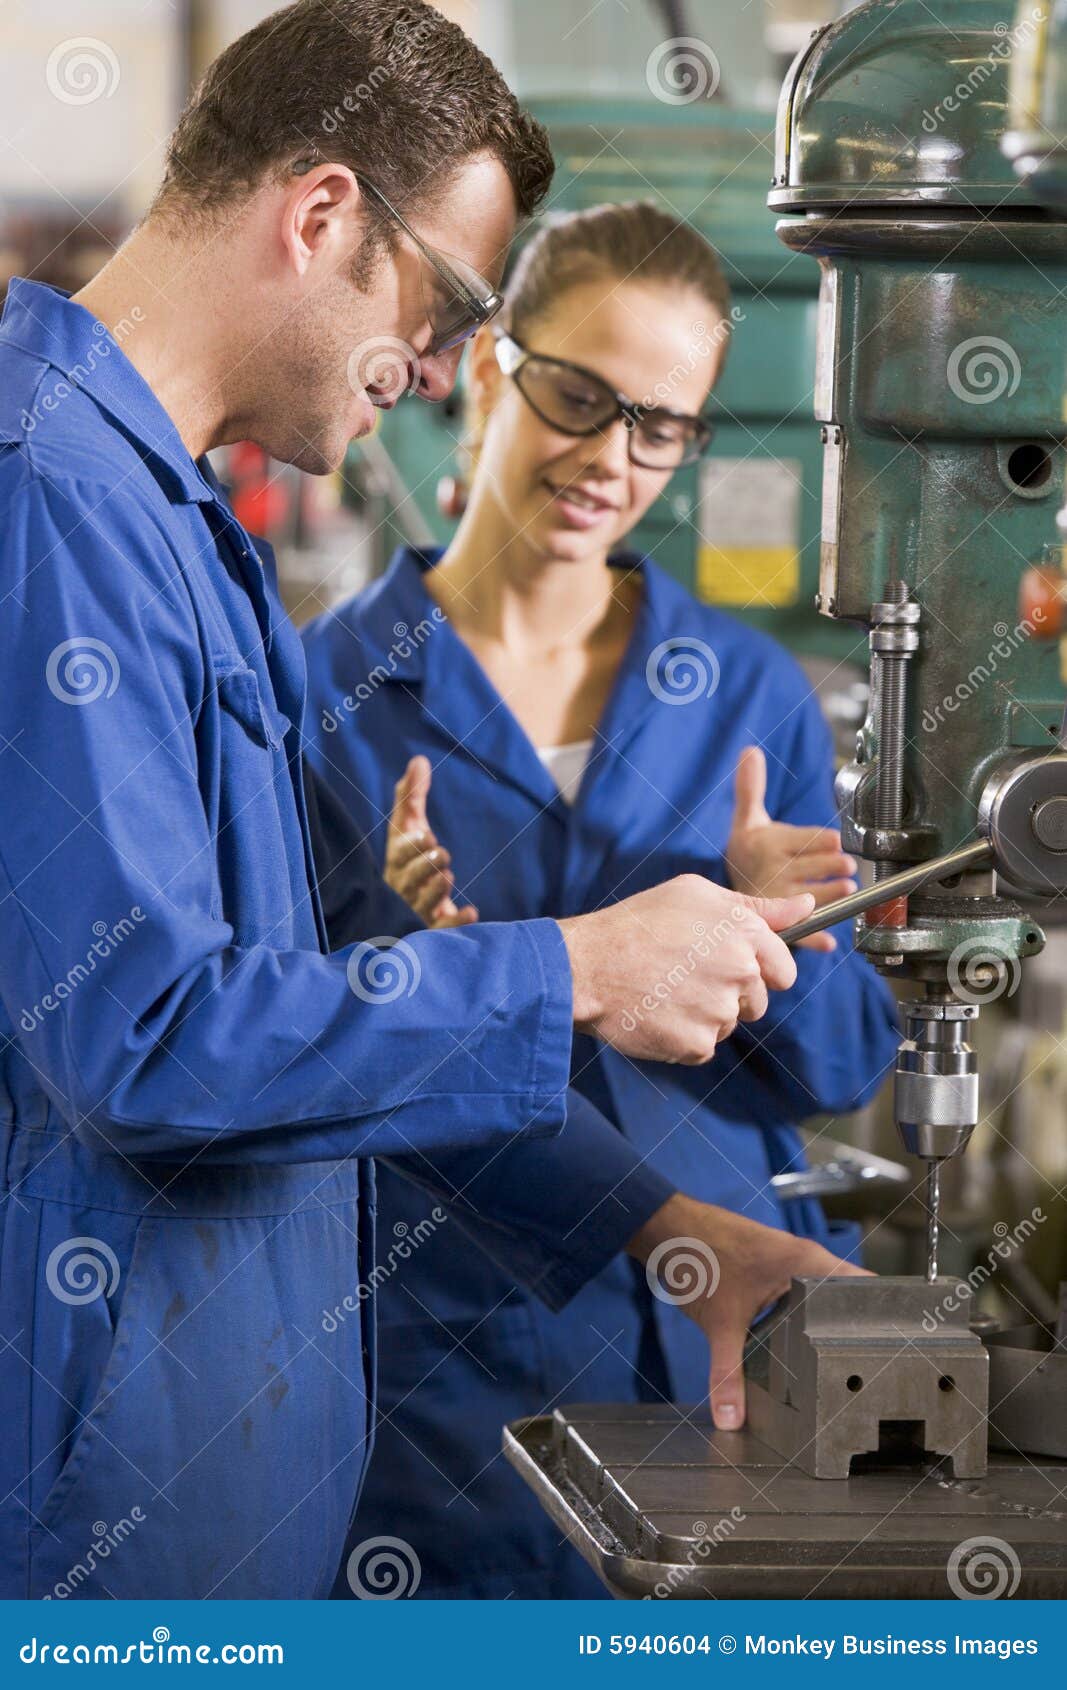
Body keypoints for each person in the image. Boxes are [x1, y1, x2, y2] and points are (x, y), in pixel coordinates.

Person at [0, 4, 863, 1602]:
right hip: (99, 1535)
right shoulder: (49, 500)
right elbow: (138, 1036)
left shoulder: (185, 530)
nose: (448, 368)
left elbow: (323, 1027)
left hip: (228, 1508)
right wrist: (578, 966)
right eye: (450, 306)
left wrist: (669, 1213)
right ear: (320, 214)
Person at [302, 201, 901, 1598]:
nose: (612, 459)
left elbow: (852, 1054)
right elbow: (313, 1050)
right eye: (580, 395)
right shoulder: (333, 690)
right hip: (449, 1361)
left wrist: (781, 937)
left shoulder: (745, 693)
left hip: (728, 1347)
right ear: (495, 361)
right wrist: (414, 961)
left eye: (663, 425)